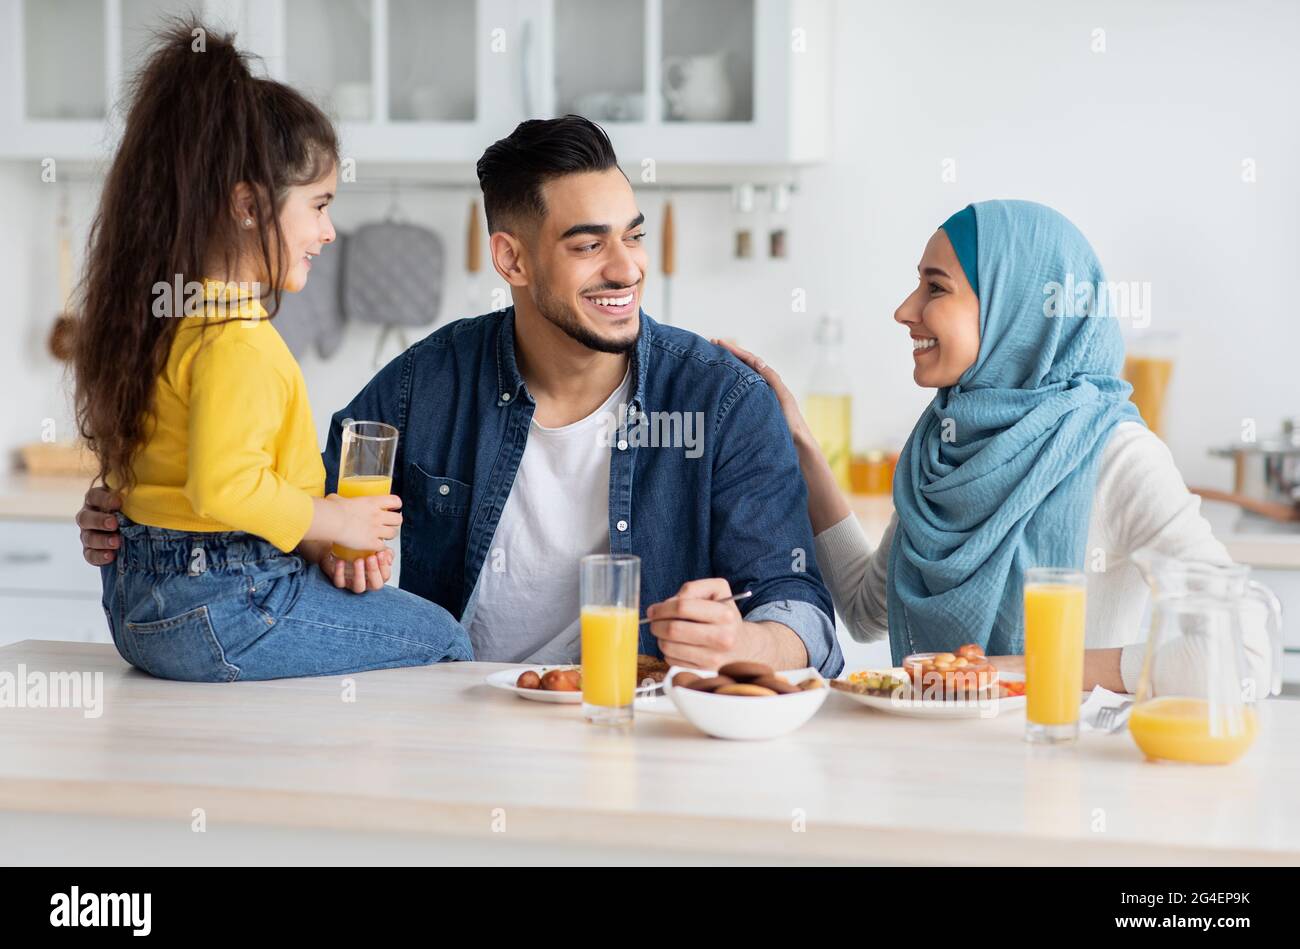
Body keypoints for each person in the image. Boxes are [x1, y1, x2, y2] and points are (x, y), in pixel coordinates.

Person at [79, 115, 844, 677]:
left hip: (638, 737)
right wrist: (150, 508)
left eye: (633, 236)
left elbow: (802, 608)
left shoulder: (722, 402)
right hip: (457, 732)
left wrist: (743, 641)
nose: (626, 268)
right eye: (588, 244)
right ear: (510, 258)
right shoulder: (428, 383)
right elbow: (279, 500)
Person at [720, 200, 1269, 693]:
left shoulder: (1116, 456)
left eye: (936, 288)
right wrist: (798, 442)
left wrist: (1020, 670)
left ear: (1020, 308)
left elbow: (1240, 650)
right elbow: (867, 612)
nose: (905, 310)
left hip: (1062, 780)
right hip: (936, 774)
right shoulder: (939, 449)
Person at [71, 22, 471, 681]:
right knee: (444, 639)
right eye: (318, 205)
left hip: (140, 609)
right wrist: (332, 515)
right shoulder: (238, 339)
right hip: (225, 603)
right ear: (249, 206)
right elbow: (224, 486)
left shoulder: (162, 318)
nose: (328, 230)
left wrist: (318, 538)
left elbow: (171, 473)